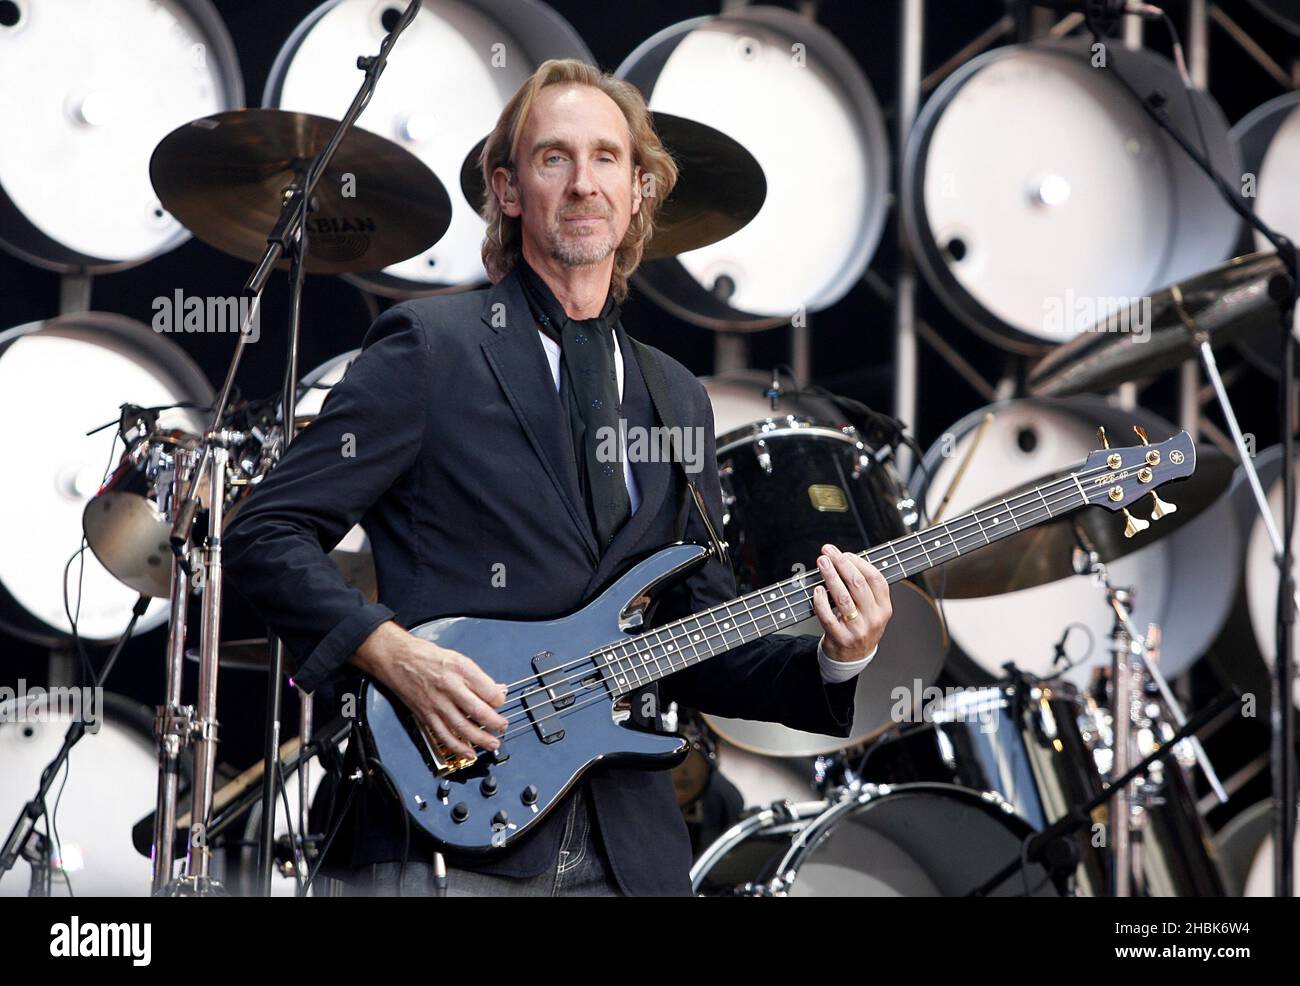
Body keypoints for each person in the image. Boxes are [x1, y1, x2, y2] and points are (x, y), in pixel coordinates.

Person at [222, 59, 893, 897]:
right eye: (554, 159)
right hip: (452, 829)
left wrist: (837, 656)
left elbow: (701, 633)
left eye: (609, 159)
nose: (584, 184)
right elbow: (263, 533)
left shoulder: (675, 394)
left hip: (630, 851)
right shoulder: (432, 349)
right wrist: (392, 653)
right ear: (507, 190)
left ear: (640, 191)